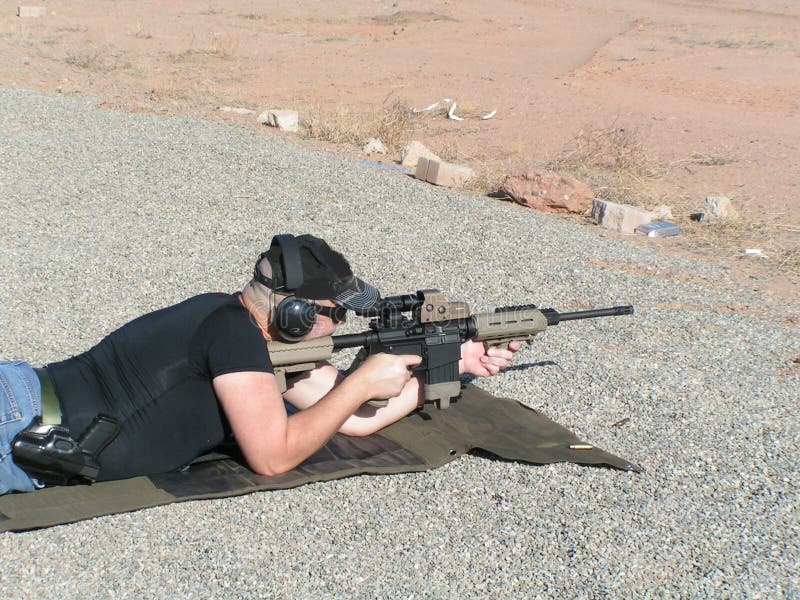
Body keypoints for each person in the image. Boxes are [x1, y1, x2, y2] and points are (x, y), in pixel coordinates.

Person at [0, 234, 518, 494]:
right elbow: (273, 457)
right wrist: (359, 382)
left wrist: (453, 365)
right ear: (294, 313)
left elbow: (352, 418)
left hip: (25, 416)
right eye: (334, 313)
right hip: (17, 424)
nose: (340, 324)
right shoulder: (233, 338)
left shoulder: (232, 323)